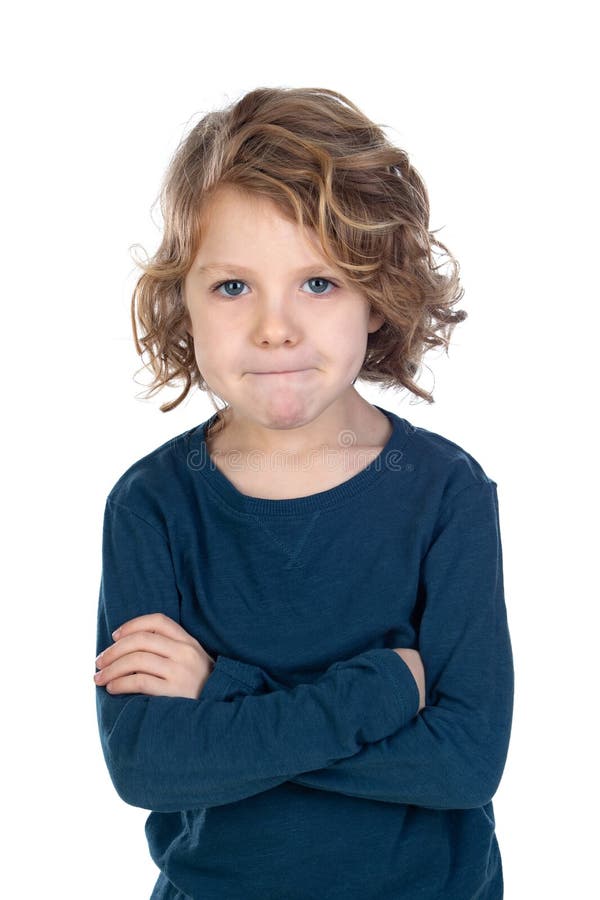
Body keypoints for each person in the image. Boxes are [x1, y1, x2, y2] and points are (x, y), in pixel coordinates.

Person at [93, 86, 514, 900]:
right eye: (232, 287)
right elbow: (149, 763)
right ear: (182, 298)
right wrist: (386, 690)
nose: (275, 328)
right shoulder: (149, 506)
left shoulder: (444, 494)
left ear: (376, 295)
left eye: (317, 283)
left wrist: (220, 701)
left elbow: (465, 761)